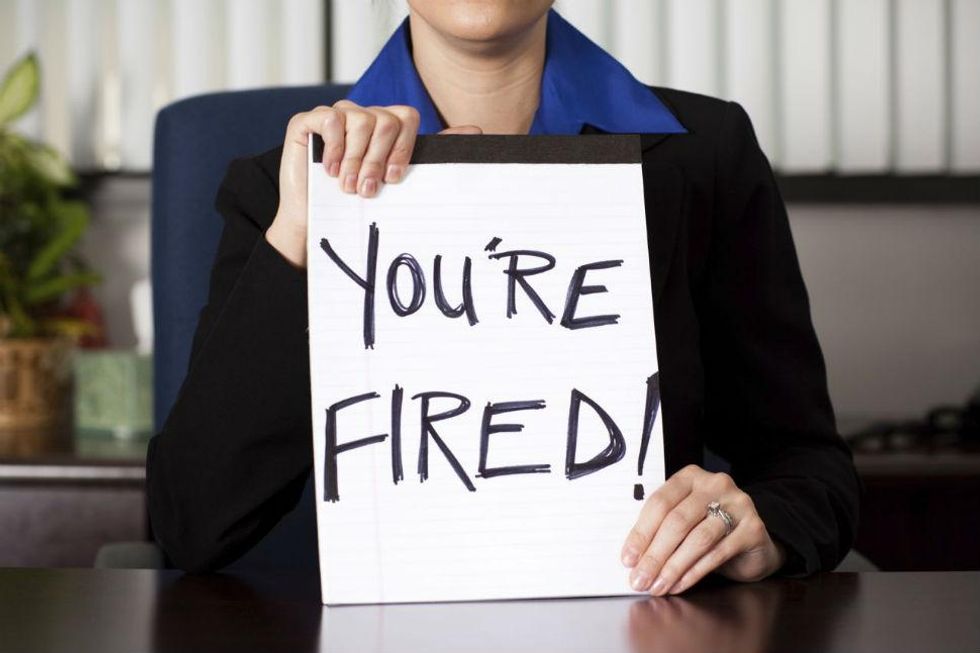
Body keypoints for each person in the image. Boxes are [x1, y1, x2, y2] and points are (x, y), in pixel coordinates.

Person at [147, 1, 859, 597]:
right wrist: (304, 233)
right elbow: (191, 526)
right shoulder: (285, 187)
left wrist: (755, 523)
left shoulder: (707, 156)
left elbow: (810, 473)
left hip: (633, 628)